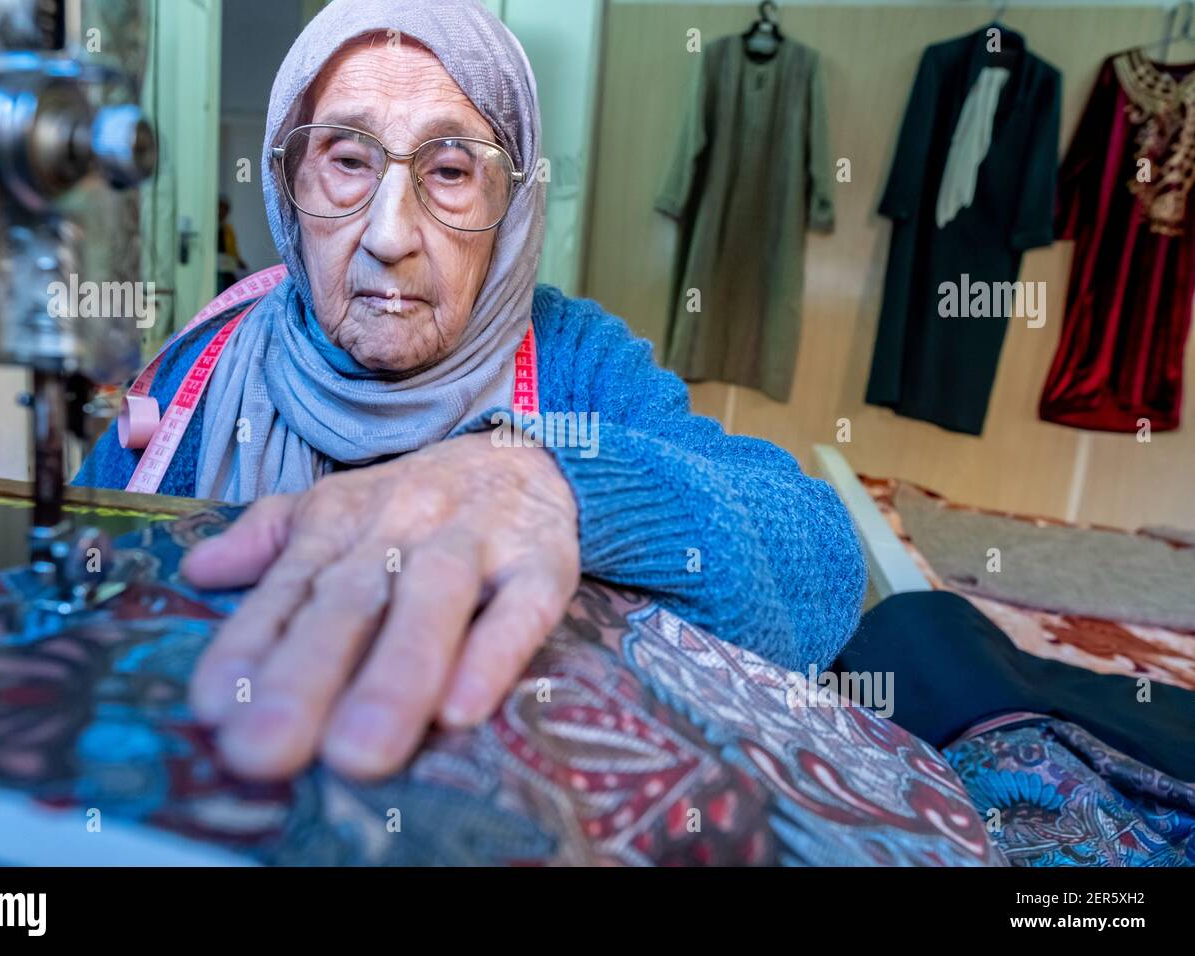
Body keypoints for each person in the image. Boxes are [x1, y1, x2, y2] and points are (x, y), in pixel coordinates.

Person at [75, 0, 866, 783]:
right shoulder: (205, 365)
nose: (390, 235)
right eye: (348, 161)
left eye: (450, 171)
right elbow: (81, 590)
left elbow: (825, 572)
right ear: (288, 187)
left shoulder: (577, 363)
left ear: (510, 204)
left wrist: (551, 482)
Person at [216, 195, 247, 290]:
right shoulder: (210, 230)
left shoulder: (228, 229)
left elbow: (233, 250)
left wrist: (240, 262)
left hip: (226, 267)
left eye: (225, 209)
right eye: (220, 208)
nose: (222, 212)